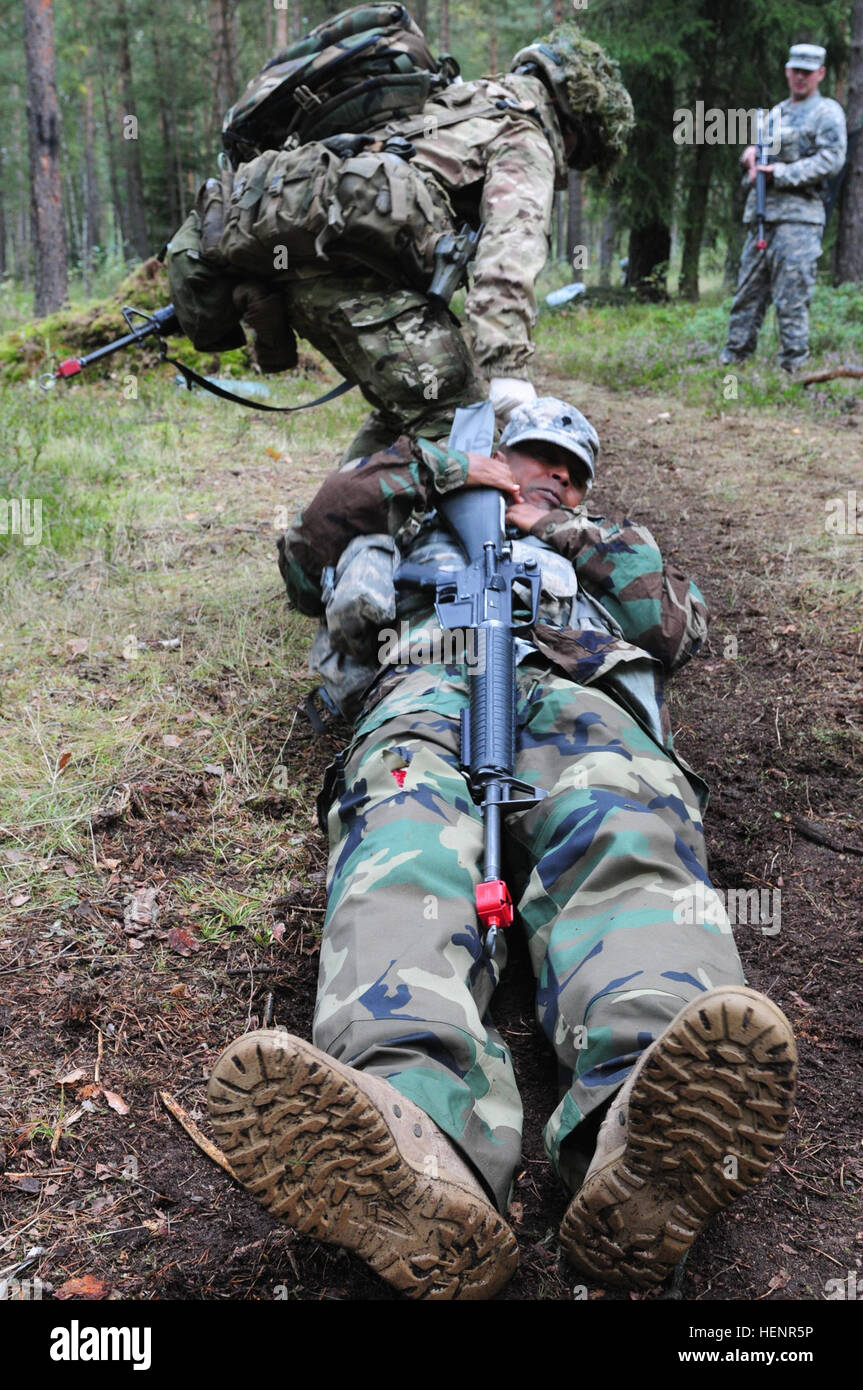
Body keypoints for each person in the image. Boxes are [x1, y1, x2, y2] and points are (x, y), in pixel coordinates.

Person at [207, 398, 797, 1300]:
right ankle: (415, 1138)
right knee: (398, 851)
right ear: (491, 452)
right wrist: (437, 469)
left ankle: (641, 1123)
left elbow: (674, 625)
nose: (554, 474)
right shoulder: (408, 511)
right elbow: (310, 543)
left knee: (629, 835)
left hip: (576, 684)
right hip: (429, 680)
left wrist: (564, 529)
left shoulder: (591, 537)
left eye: (573, 468)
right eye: (536, 456)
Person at [275, 23, 633, 457]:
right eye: (578, 153)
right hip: (354, 273)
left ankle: (335, 523)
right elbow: (510, 248)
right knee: (460, 420)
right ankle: (352, 523)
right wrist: (507, 369)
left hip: (300, 257)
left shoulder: (461, 102)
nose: (569, 162)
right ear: (572, 121)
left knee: (406, 409)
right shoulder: (524, 135)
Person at [720, 43, 846, 373]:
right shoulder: (774, 114)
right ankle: (733, 366)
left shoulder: (827, 112)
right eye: (796, 70)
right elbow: (759, 158)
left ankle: (794, 373)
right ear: (787, 71)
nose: (801, 77)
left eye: (808, 71)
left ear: (820, 73)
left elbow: (831, 160)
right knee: (747, 295)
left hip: (799, 220)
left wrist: (782, 173)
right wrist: (749, 157)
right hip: (762, 217)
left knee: (792, 299)